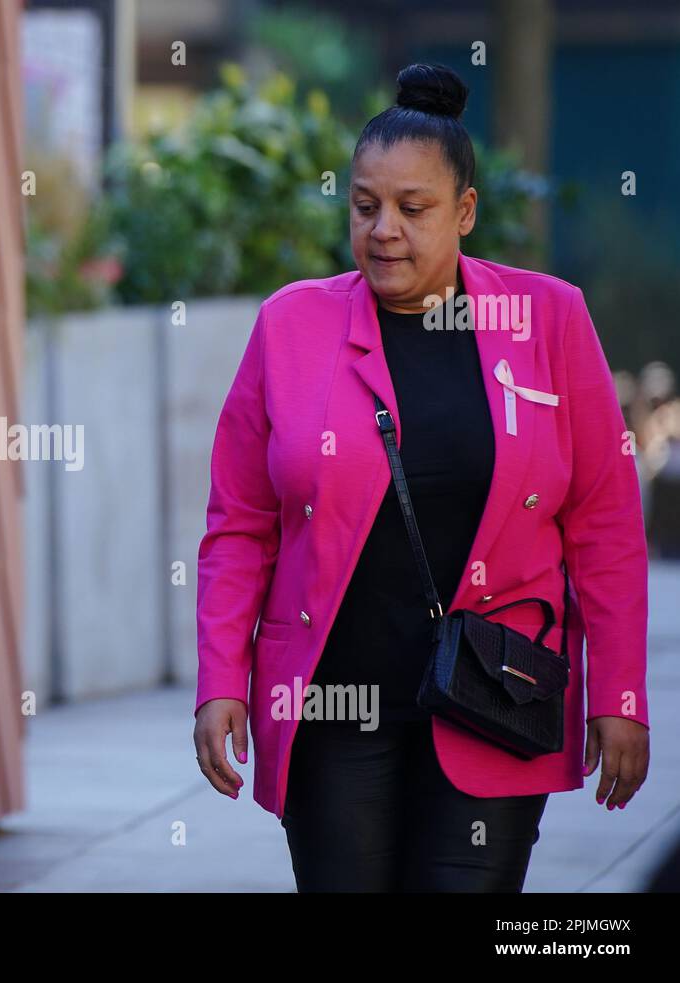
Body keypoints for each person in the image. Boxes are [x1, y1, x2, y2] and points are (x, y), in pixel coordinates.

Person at [192, 63, 649, 892]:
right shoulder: (290, 324)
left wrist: (618, 694)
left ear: (465, 211)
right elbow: (240, 523)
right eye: (365, 206)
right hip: (335, 709)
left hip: (494, 699)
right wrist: (221, 678)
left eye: (413, 208)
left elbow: (605, 526)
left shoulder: (549, 319)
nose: (384, 230)